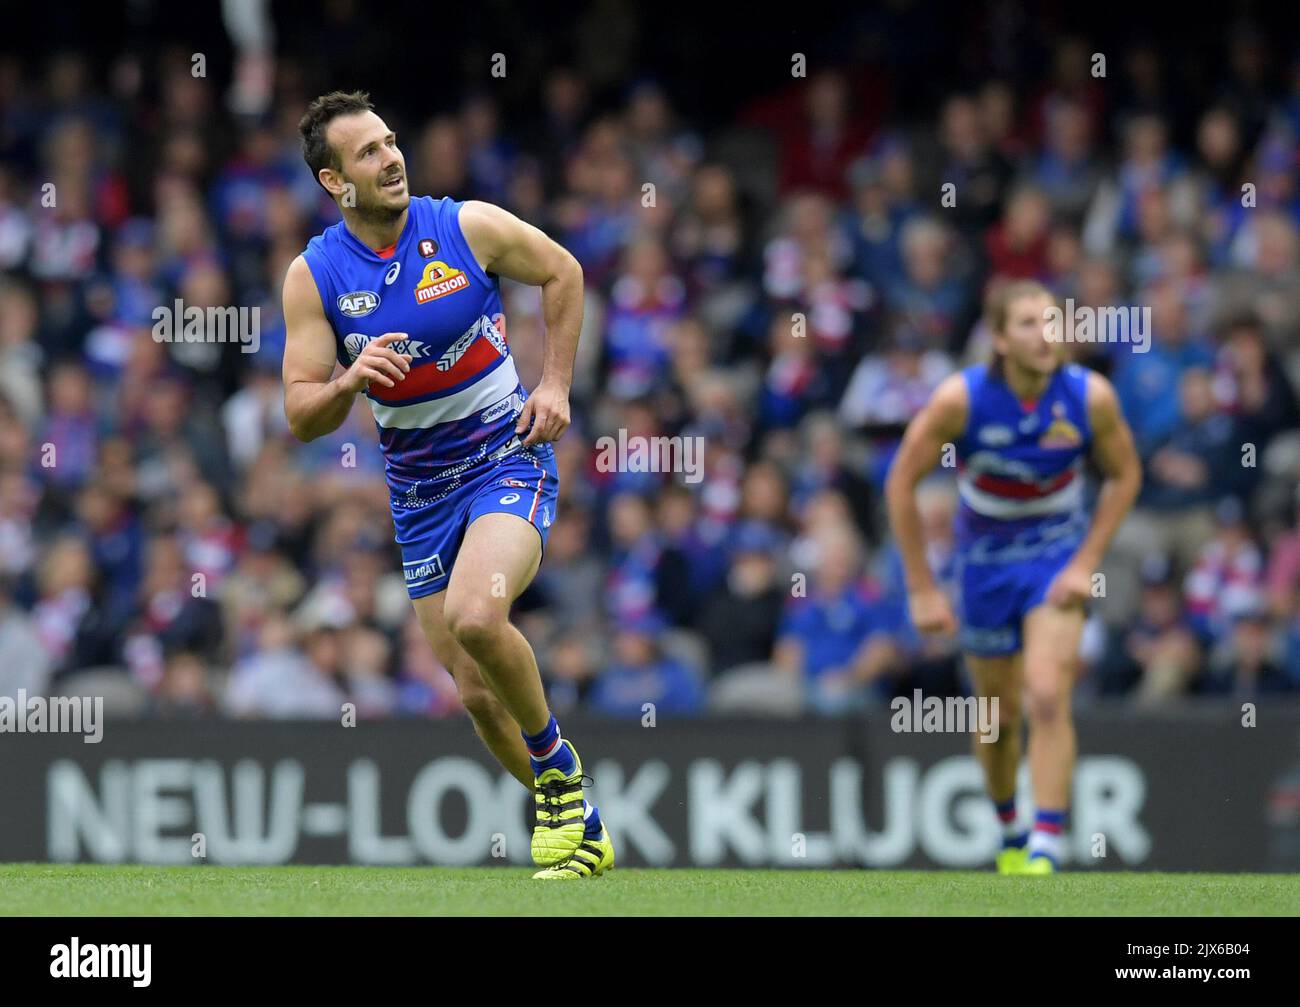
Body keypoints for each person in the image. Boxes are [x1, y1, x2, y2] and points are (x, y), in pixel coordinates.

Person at [280, 91, 612, 880]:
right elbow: (299, 413)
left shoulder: (464, 226)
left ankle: (559, 770)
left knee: (474, 614)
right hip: (419, 496)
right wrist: (351, 379)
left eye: (391, 142)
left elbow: (562, 272)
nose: (392, 158)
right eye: (368, 153)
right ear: (334, 182)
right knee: (473, 690)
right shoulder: (315, 274)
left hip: (507, 456)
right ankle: (581, 822)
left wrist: (556, 384)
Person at [885, 279, 1141, 873]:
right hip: (984, 565)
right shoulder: (960, 400)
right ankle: (1009, 831)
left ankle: (1046, 849)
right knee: (997, 717)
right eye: (1027, 323)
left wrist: (1084, 563)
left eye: (1052, 320)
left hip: (1055, 554)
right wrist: (922, 587)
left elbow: (1125, 476)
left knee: (1049, 692)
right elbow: (900, 481)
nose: (1044, 333)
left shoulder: (1090, 397)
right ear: (999, 339)